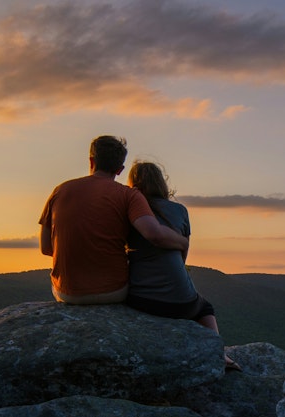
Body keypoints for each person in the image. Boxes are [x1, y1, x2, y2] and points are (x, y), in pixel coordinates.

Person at [39, 136, 188, 304]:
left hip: (66, 293)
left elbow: (46, 248)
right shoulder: (129, 195)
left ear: (91, 161)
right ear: (120, 169)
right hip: (113, 291)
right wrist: (182, 242)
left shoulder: (60, 190)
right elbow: (154, 234)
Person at [125, 161, 241, 371]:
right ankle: (220, 354)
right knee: (205, 307)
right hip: (181, 301)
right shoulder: (180, 210)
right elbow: (182, 256)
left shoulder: (130, 210)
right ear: (162, 183)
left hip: (140, 298)